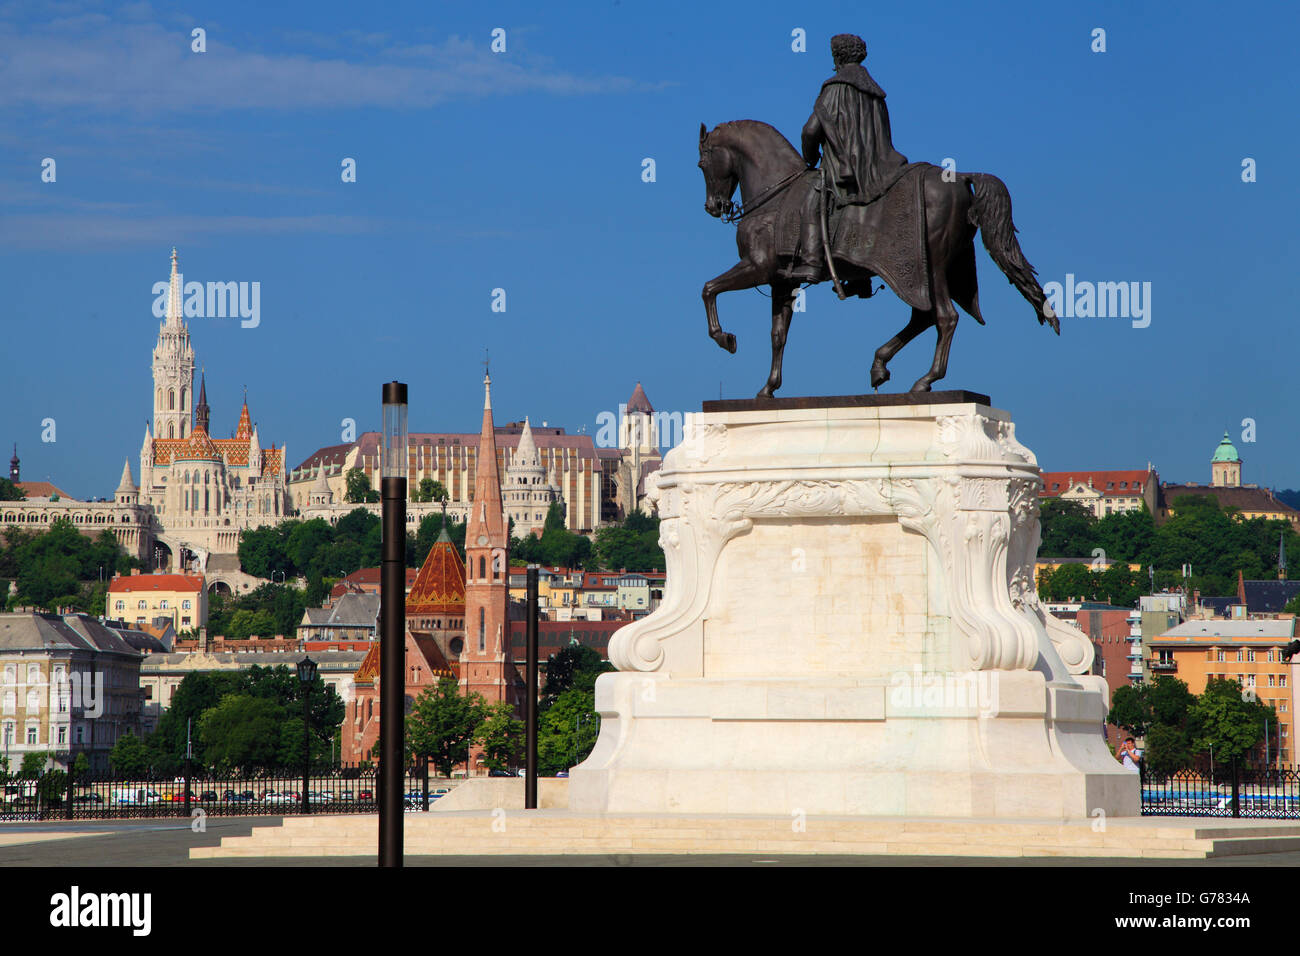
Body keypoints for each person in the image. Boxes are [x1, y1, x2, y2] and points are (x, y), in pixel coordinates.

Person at [791, 33, 910, 283]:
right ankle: (860, 279)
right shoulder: (876, 92)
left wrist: (810, 158)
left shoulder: (834, 87)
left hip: (846, 170)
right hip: (880, 169)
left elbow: (810, 130)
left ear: (837, 56)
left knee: (810, 203)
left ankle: (811, 264)